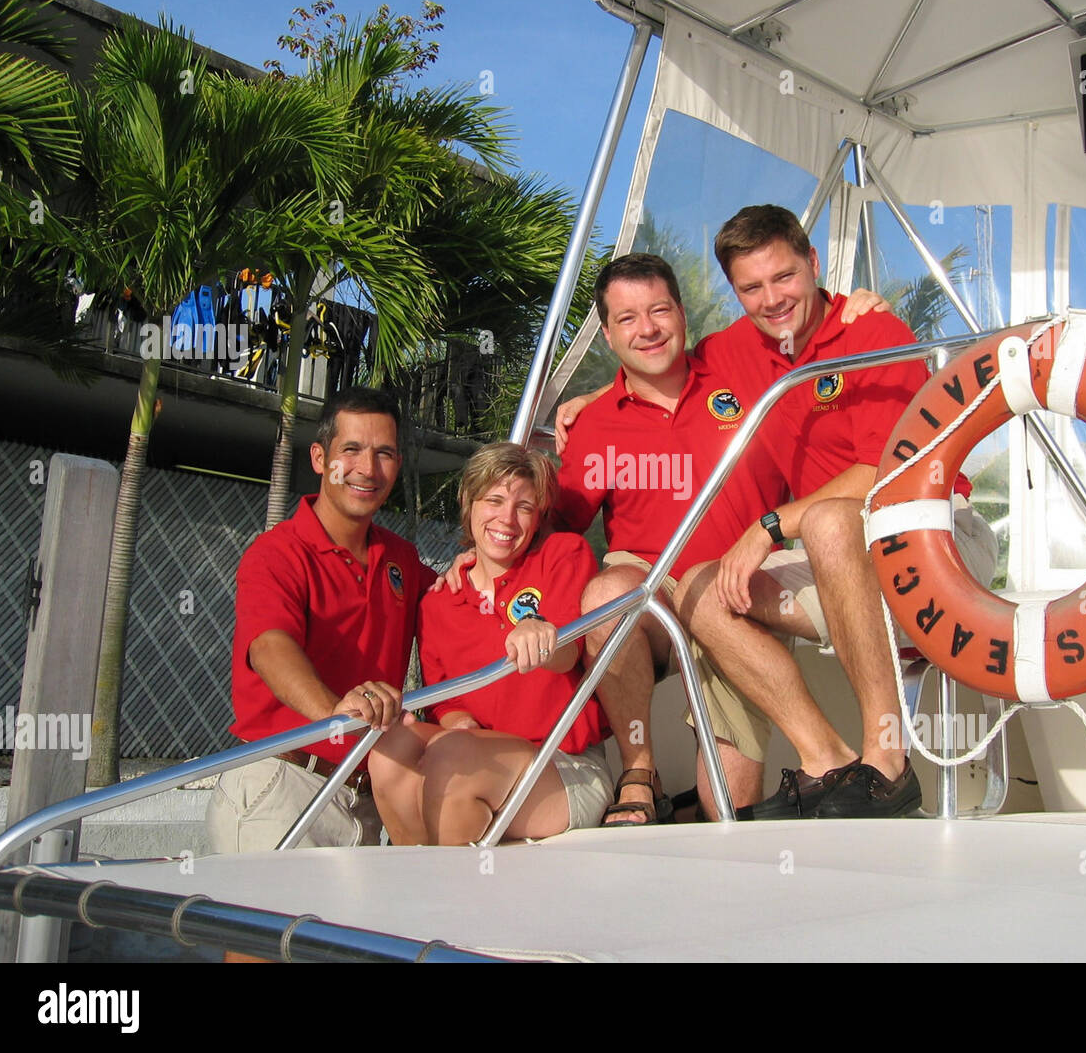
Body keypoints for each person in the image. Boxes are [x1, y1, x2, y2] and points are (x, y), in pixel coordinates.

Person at [672, 204, 998, 819]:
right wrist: (593, 398)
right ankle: (827, 760)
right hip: (840, 562)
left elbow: (885, 473)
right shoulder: (732, 351)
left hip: (936, 537)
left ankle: (888, 762)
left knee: (825, 519)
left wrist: (769, 527)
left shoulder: (874, 333)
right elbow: (661, 367)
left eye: (785, 277)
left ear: (813, 264)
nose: (772, 299)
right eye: (751, 287)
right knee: (699, 588)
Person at [549, 253, 890, 824]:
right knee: (608, 594)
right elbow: (556, 533)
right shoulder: (592, 425)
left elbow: (788, 308)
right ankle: (639, 773)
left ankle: (828, 769)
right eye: (628, 319)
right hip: (651, 590)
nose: (648, 329)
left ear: (683, 314)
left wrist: (861, 308)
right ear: (606, 335)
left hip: (740, 587)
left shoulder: (740, 364)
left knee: (726, 802)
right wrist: (481, 556)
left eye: (659, 310)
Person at [205, 387, 433, 854]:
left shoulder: (401, 559)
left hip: (367, 801)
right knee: (269, 929)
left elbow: (460, 611)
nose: (368, 469)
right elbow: (270, 647)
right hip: (282, 789)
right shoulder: (276, 554)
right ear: (319, 457)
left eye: (384, 453)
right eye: (351, 450)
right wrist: (334, 714)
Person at [369, 443, 612, 844]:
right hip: (480, 754)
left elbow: (569, 652)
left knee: (452, 758)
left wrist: (541, 632)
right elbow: (446, 701)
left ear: (538, 519)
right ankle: (422, 878)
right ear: (469, 504)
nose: (507, 519)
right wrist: (456, 723)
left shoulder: (561, 555)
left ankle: (450, 897)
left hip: (563, 764)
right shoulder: (437, 603)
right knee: (390, 749)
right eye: (494, 500)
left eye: (524, 507)